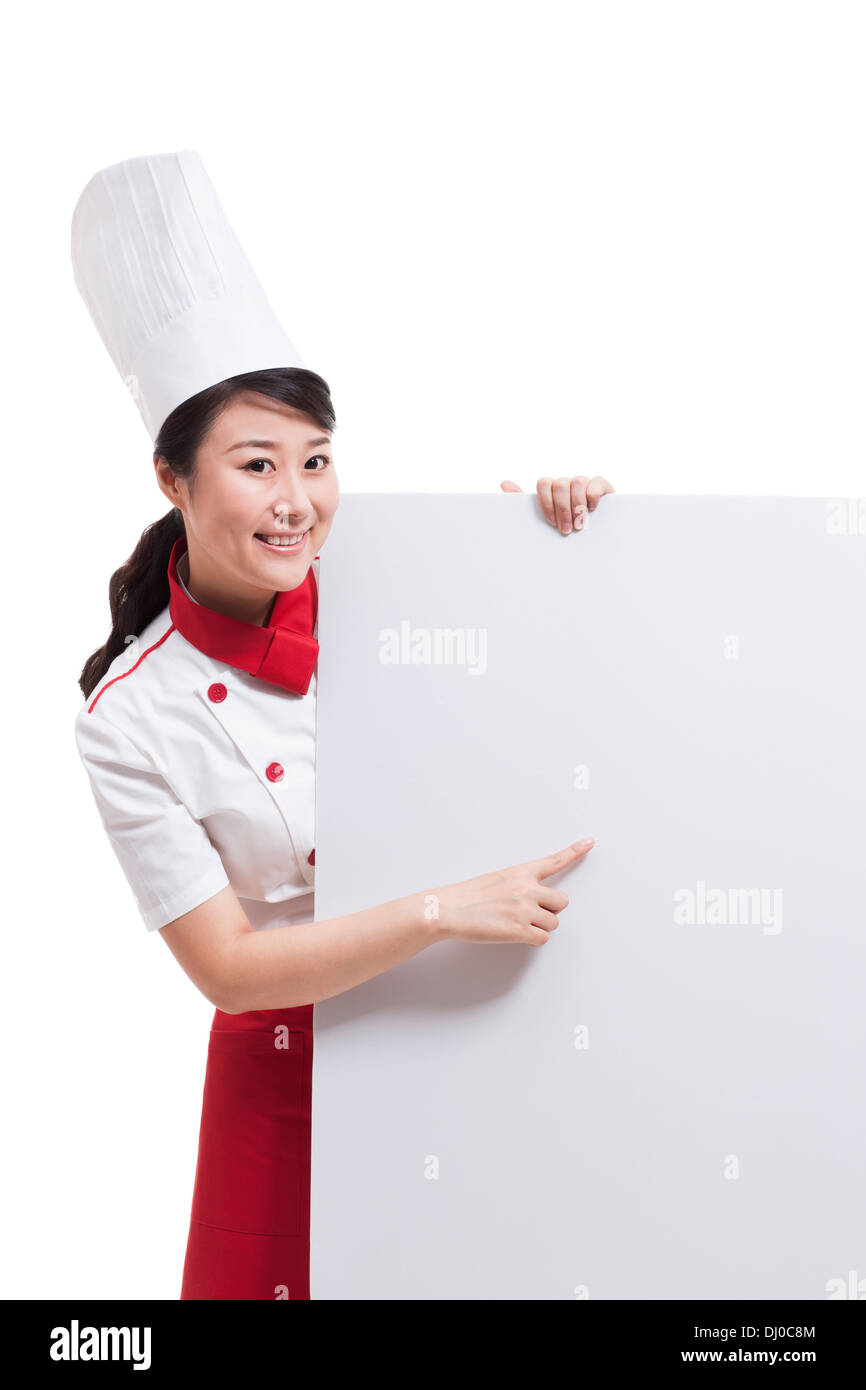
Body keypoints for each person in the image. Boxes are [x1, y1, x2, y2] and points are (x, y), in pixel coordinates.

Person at [72, 149, 614, 1300]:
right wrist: (439, 908)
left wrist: (567, 533)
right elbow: (226, 967)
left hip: (481, 1021)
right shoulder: (131, 715)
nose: (298, 500)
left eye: (316, 461)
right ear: (171, 477)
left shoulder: (405, 570)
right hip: (281, 1068)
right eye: (255, 464)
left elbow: (572, 674)